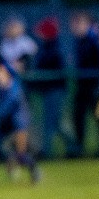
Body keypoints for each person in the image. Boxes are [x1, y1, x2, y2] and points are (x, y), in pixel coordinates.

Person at [32, 15, 70, 159]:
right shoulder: (45, 47)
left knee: (52, 122)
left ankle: (46, 151)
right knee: (54, 122)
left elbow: (53, 69)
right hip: (48, 90)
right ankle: (73, 146)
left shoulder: (54, 49)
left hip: (55, 90)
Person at [69, 12, 99, 158]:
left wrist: (98, 82)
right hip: (82, 85)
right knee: (78, 115)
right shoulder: (79, 41)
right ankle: (80, 146)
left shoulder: (93, 41)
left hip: (93, 85)